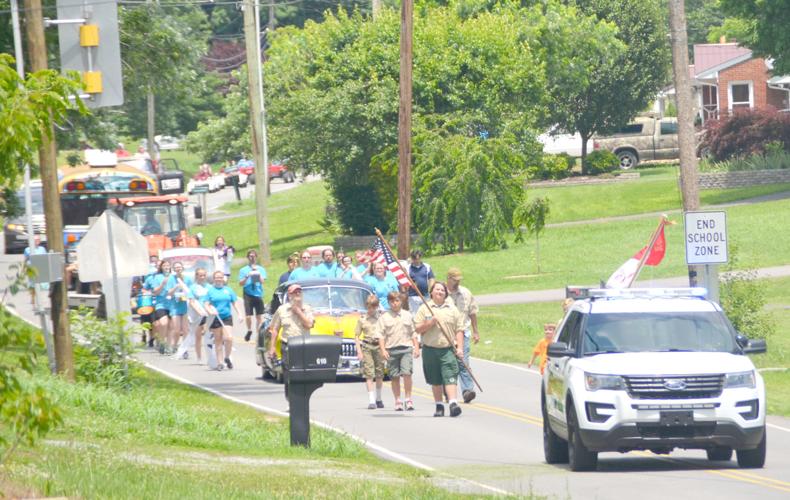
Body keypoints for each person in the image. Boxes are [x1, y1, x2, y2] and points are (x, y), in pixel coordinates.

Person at [414, 282, 465, 417]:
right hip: (430, 349)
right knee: (435, 379)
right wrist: (430, 323)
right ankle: (439, 406)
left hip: (447, 349)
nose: (440, 292)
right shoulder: (424, 309)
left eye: (442, 290)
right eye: (437, 289)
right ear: (431, 292)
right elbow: (417, 328)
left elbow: (459, 329)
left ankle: (453, 403)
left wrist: (460, 348)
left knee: (450, 376)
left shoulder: (452, 309)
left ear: (446, 293)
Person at [268, 283, 315, 399]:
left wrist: (298, 312)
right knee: (288, 374)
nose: (298, 294)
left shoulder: (307, 308)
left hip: (303, 345)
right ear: (289, 295)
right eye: (295, 292)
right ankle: (290, 399)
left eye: (299, 292)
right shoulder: (282, 310)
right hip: (287, 345)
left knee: (303, 374)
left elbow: (309, 324)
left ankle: (302, 398)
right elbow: (274, 329)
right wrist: (272, 347)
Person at [377, 292, 420, 411]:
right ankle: (397, 400)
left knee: (407, 373)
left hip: (406, 348)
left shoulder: (407, 315)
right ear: (389, 302)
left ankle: (408, 399)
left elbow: (413, 333)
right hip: (391, 349)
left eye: (397, 301)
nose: (394, 304)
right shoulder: (384, 317)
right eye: (392, 301)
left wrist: (416, 347)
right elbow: (380, 335)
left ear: (401, 301)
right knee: (394, 376)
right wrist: (383, 350)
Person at [446, 267, 480, 404]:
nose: (457, 283)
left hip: (463, 331)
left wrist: (476, 331)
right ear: (448, 279)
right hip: (446, 333)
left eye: (459, 280)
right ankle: (447, 388)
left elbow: (472, 312)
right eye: (455, 280)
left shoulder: (466, 293)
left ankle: (467, 390)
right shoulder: (441, 292)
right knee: (448, 363)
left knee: (463, 361)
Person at [203, 270, 242, 370]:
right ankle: (220, 362)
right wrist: (210, 311)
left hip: (226, 317)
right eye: (217, 277)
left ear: (223, 279)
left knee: (228, 338)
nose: (219, 279)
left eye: (220, 277)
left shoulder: (228, 290)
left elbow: (235, 302)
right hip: (215, 318)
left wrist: (240, 314)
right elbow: (206, 304)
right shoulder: (211, 291)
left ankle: (227, 357)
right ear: (214, 279)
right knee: (218, 341)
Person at [354, 295, 385, 409]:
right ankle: (371, 400)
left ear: (377, 307)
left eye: (373, 307)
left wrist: (384, 349)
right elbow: (357, 336)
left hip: (378, 346)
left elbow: (385, 333)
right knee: (369, 373)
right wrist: (359, 351)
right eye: (369, 307)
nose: (371, 310)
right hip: (367, 345)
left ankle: (379, 398)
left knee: (379, 373)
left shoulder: (381, 318)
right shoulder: (362, 319)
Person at [238, 249, 267, 342]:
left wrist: (257, 274)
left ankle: (259, 335)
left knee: (259, 317)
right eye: (250, 256)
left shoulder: (261, 269)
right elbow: (240, 283)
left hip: (258, 293)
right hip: (248, 293)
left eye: (254, 256)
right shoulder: (243, 270)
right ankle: (249, 330)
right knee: (248, 316)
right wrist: (247, 276)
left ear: (256, 257)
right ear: (248, 257)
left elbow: (263, 281)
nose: (252, 258)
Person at [166, 261, 193, 355]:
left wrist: (186, 294)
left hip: (185, 306)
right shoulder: (171, 279)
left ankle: (184, 349)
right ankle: (174, 345)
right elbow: (169, 292)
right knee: (177, 330)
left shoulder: (188, 279)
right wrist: (176, 286)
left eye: (179, 267)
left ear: (182, 268)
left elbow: (191, 292)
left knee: (185, 329)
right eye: (176, 267)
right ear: (173, 269)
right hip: (175, 306)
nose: (178, 269)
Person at [147, 260, 173, 354]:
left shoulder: (173, 277)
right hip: (161, 304)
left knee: (171, 326)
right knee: (163, 323)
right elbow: (155, 292)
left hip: (172, 304)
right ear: (161, 267)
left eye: (168, 265)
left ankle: (168, 346)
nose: (166, 267)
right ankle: (162, 342)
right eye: (164, 265)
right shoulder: (157, 277)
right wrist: (162, 284)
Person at [187, 267, 211, 364]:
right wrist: (199, 311)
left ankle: (211, 357)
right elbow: (191, 301)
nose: (202, 277)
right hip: (197, 314)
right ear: (196, 276)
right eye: (200, 275)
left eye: (204, 275)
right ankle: (199, 358)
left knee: (208, 336)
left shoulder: (209, 287)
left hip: (208, 314)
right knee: (198, 337)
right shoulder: (193, 287)